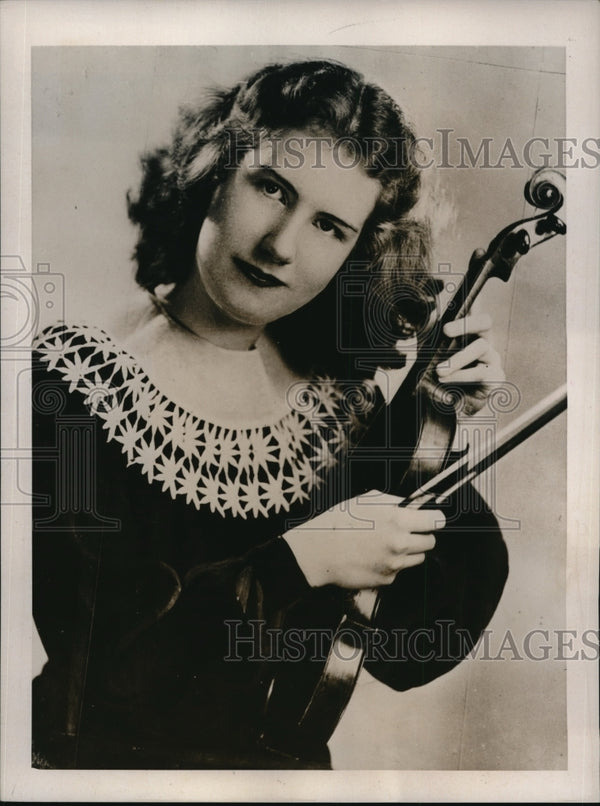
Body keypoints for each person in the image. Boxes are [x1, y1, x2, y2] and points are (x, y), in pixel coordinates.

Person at [31, 59, 508, 770]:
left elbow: (415, 648)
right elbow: (102, 674)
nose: (281, 245)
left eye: (329, 226)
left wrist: (432, 425)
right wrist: (298, 562)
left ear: (355, 250)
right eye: (271, 187)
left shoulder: (337, 402)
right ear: (211, 171)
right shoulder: (70, 386)